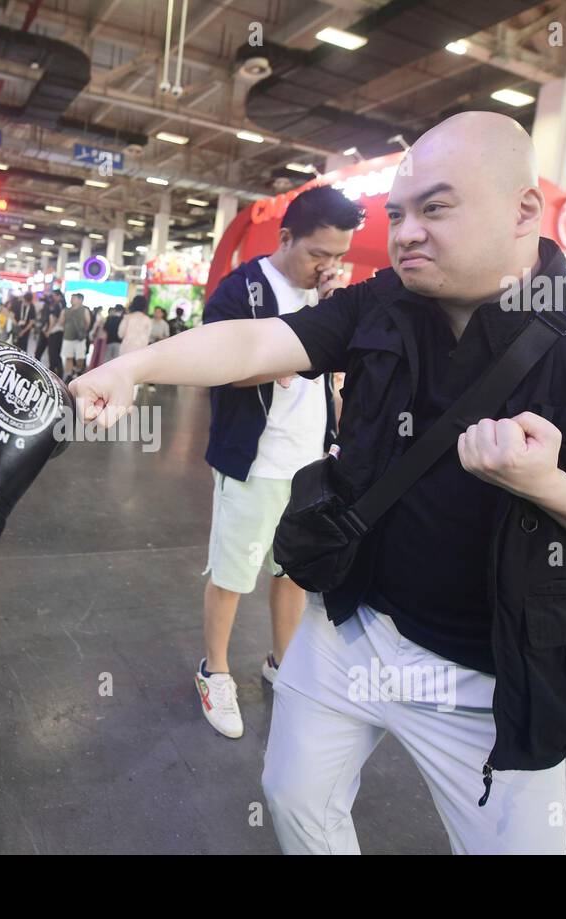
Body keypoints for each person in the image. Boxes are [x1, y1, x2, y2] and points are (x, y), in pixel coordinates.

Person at [71, 111, 566, 854]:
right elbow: (258, 340)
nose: (407, 231)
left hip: (494, 680)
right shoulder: (383, 303)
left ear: (524, 210)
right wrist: (133, 367)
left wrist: (552, 486)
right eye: (398, 214)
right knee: (293, 797)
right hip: (351, 628)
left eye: (436, 208)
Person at [192, 185, 361, 739]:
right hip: (253, 462)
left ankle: (282, 664)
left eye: (338, 256)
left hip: (308, 462)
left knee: (294, 572)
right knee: (234, 573)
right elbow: (215, 365)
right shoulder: (241, 290)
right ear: (285, 237)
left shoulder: (334, 297)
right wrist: (281, 364)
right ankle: (214, 669)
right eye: (318, 254)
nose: (327, 266)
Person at [62, 292, 91, 379]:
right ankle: (69, 375)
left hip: (80, 339)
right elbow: (62, 321)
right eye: (71, 298)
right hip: (68, 337)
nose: (71, 300)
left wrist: (82, 332)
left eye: (73, 298)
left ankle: (77, 371)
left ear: (80, 300)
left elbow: (88, 323)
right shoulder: (66, 310)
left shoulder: (84, 310)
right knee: (68, 357)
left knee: (80, 358)